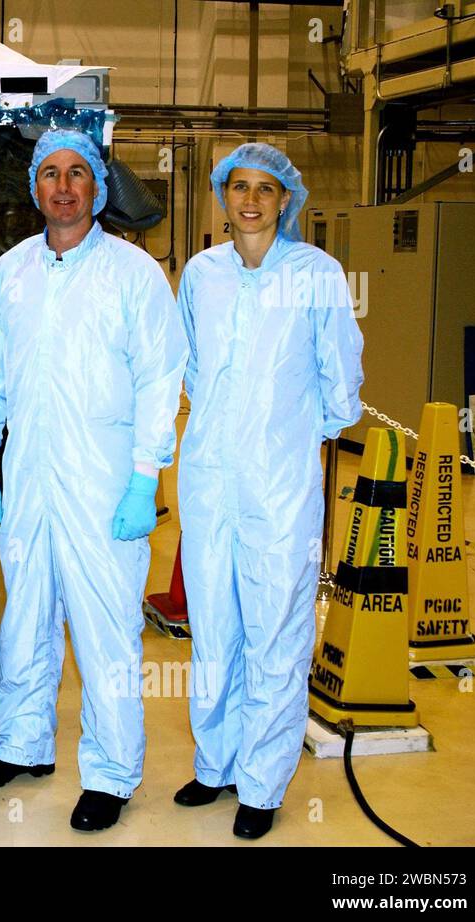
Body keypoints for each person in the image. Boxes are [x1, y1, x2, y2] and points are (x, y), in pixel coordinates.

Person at [0, 129, 188, 832]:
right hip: (29, 479)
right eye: (51, 174)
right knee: (24, 619)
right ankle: (23, 745)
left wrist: (143, 478)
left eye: (78, 175)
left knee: (106, 633)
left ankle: (113, 772)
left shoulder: (133, 274)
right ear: (35, 189)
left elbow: (160, 380)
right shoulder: (12, 273)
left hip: (104, 483)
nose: (63, 186)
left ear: (97, 188)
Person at [174, 143, 363, 839]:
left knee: (276, 632)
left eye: (265, 189)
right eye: (238, 187)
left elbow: (341, 388)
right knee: (215, 628)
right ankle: (215, 762)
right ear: (223, 196)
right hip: (208, 479)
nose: (250, 200)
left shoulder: (316, 275)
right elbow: (190, 367)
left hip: (280, 486)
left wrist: (284, 433)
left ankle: (262, 782)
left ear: (287, 200)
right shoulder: (203, 274)